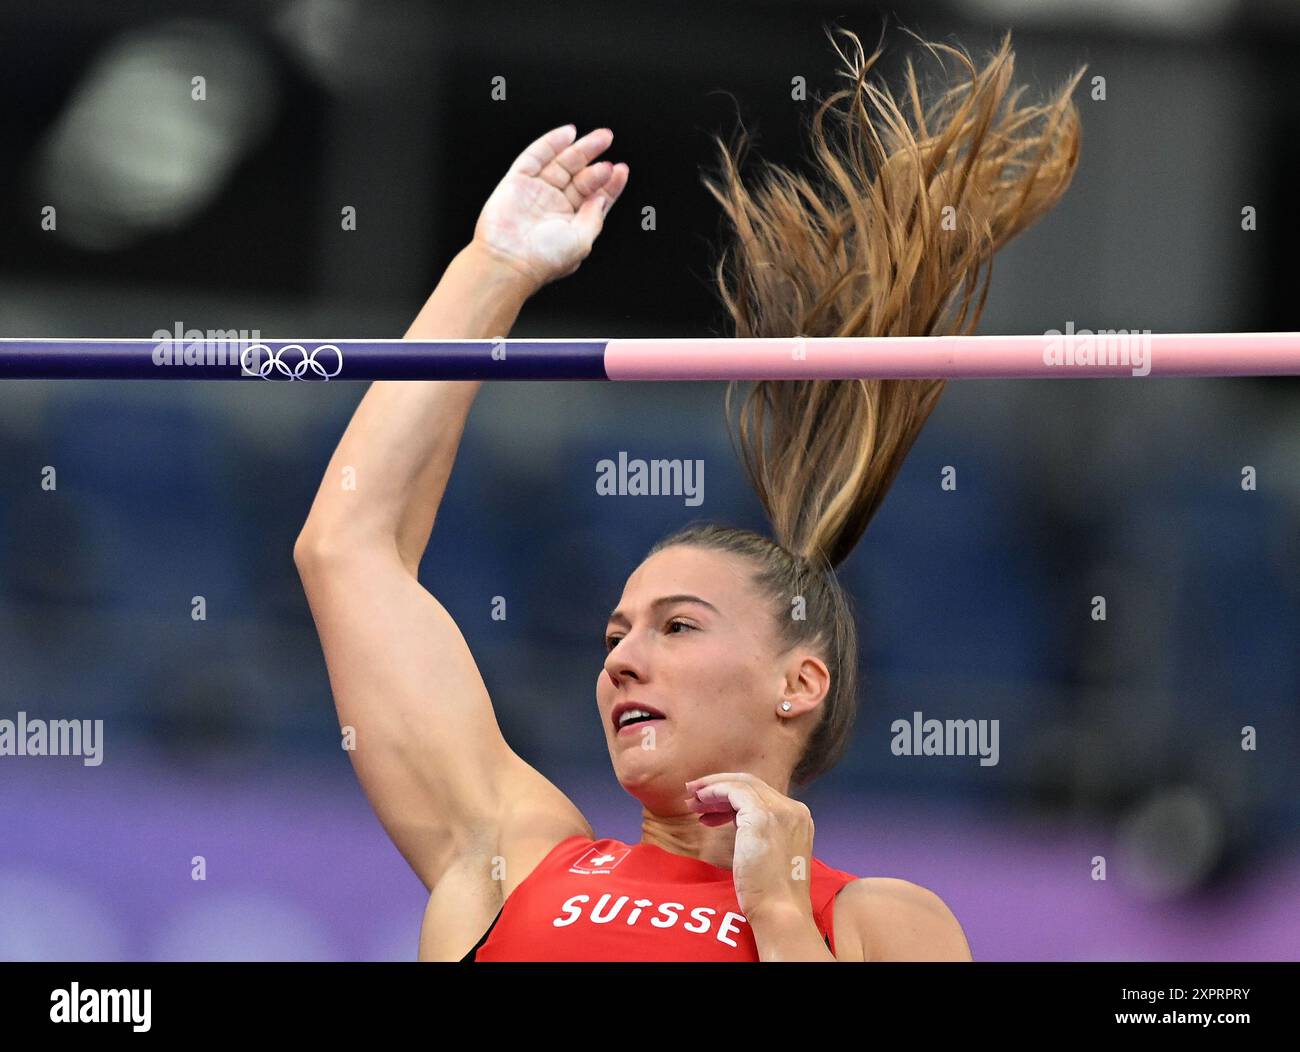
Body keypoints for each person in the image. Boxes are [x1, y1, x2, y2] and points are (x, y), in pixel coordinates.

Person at [294, 26, 1082, 960]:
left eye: (676, 626)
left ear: (799, 684)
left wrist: (779, 915)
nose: (622, 663)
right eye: (615, 636)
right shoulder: (510, 859)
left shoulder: (877, 921)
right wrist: (492, 270)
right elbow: (349, 547)